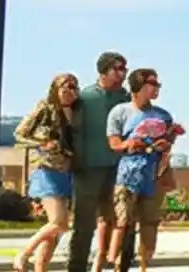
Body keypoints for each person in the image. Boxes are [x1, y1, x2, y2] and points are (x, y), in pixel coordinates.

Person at [105, 69, 180, 272]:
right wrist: (129, 144)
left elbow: (168, 144)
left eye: (158, 85)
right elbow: (113, 143)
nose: (156, 88)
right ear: (138, 87)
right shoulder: (120, 112)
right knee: (122, 221)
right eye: (152, 84)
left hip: (154, 174)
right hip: (128, 174)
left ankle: (144, 266)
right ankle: (114, 262)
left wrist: (167, 142)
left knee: (150, 223)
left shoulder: (163, 115)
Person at [67, 52, 136, 272]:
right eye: (117, 69)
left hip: (121, 169)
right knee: (84, 224)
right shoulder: (84, 98)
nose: (122, 74)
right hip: (88, 169)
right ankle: (76, 268)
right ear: (102, 71)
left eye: (124, 69)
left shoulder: (128, 100)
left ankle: (121, 265)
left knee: (125, 221)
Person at [13, 73, 80, 272]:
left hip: (68, 171)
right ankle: (24, 253)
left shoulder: (77, 112)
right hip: (48, 169)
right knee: (61, 222)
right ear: (55, 90)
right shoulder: (45, 107)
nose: (69, 92)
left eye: (73, 88)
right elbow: (19, 134)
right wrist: (42, 143)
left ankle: (40, 268)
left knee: (54, 230)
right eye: (64, 88)